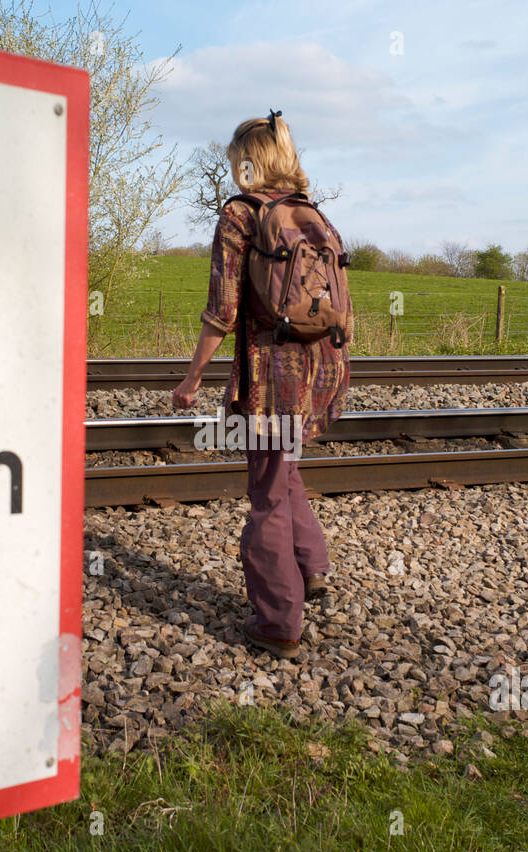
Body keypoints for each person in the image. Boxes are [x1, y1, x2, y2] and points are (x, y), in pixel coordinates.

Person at [172, 113, 352, 660]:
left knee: (267, 495)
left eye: (235, 161)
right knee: (285, 469)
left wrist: (193, 375)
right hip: (323, 370)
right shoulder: (314, 215)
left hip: (272, 379)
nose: (233, 171)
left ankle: (278, 622)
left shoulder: (240, 214)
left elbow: (221, 311)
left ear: (248, 162)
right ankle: (311, 569)